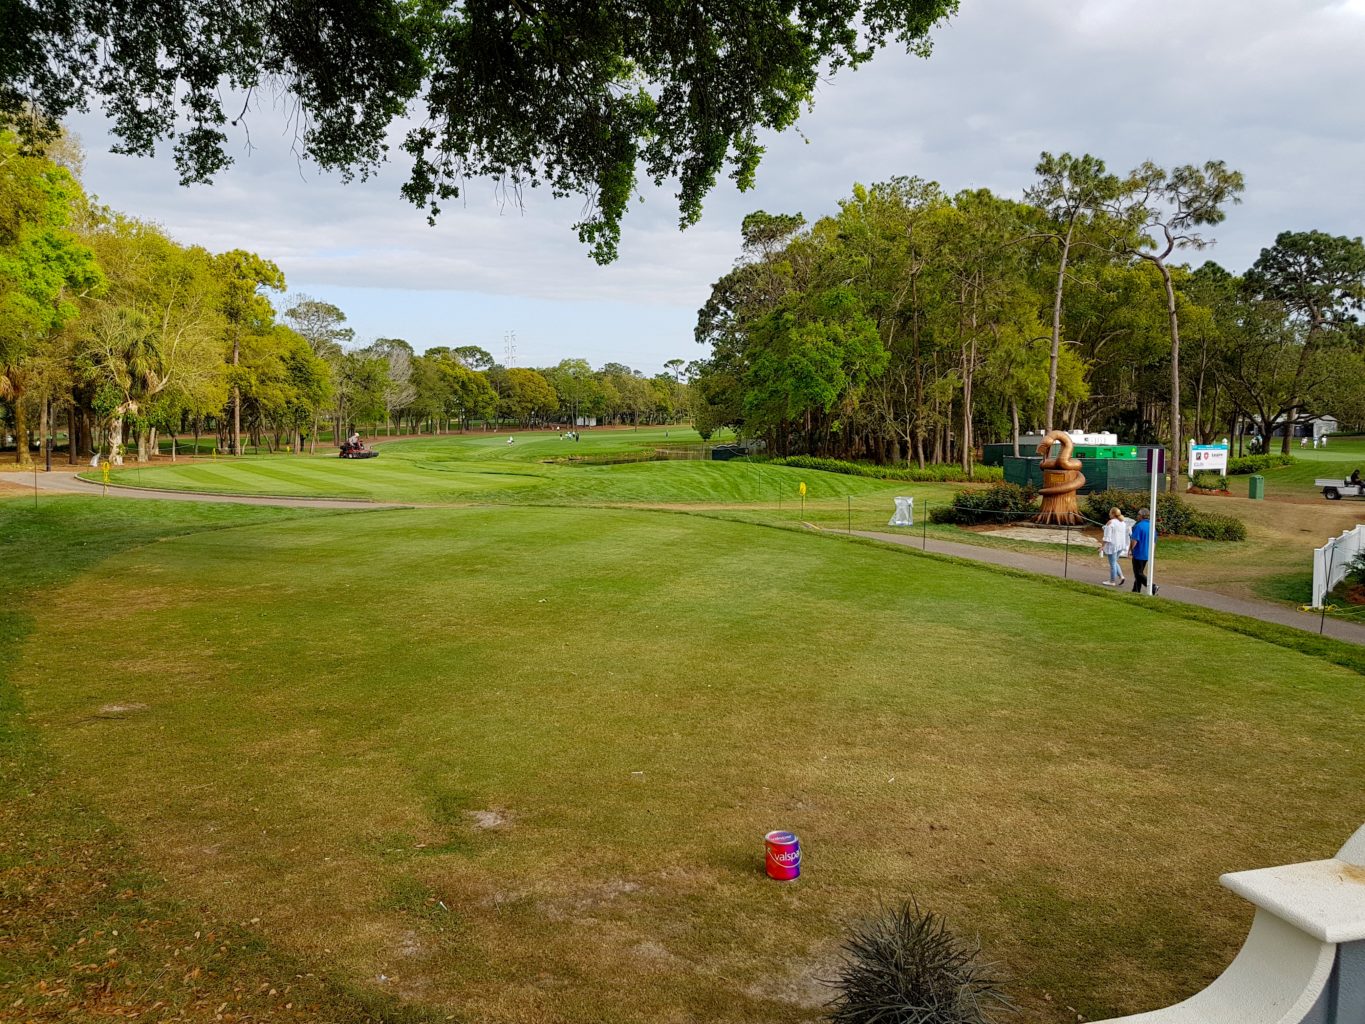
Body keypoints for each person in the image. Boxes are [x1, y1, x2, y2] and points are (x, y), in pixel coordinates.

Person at [1129, 508, 1158, 595]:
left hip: (1139, 553)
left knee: (1138, 573)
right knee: (1139, 572)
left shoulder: (1139, 526)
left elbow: (1134, 540)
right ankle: (1136, 590)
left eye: (1138, 514)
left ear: (1141, 516)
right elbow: (1154, 541)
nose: (1137, 516)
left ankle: (1152, 587)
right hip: (1147, 553)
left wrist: (1131, 550)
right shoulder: (1152, 526)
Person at [1100, 507, 1129, 587]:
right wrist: (1105, 527)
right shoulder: (1122, 522)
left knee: (1112, 564)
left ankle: (1112, 581)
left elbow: (1107, 537)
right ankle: (1121, 576)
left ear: (1113, 514)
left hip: (1113, 545)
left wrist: (1102, 546)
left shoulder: (1110, 522)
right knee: (1115, 562)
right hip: (1120, 545)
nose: (1109, 514)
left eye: (1110, 513)